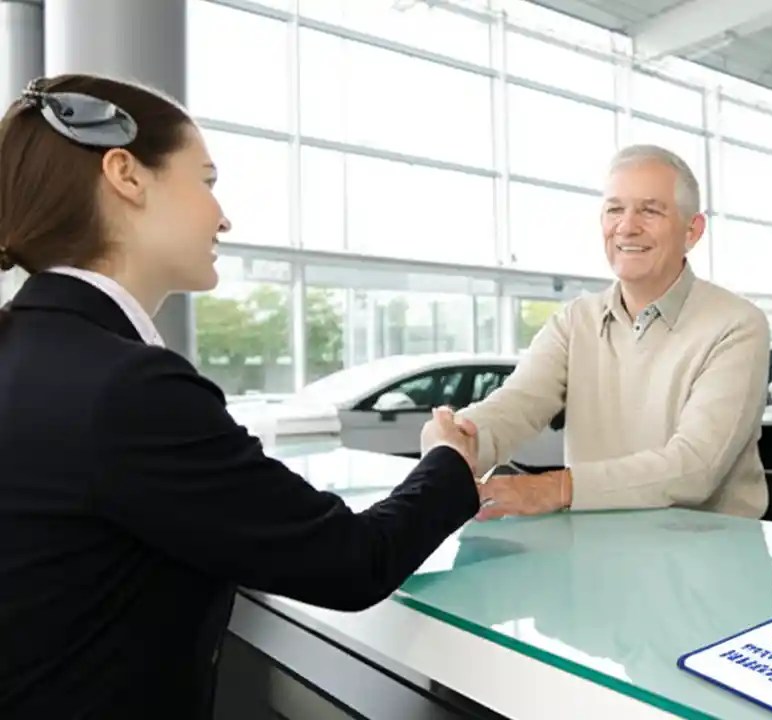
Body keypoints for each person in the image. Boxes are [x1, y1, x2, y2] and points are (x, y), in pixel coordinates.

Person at [0, 75, 481, 718]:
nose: (222, 216)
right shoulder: (128, 389)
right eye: (206, 181)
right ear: (126, 174)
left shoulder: (26, 352)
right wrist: (447, 462)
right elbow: (350, 562)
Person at [448, 144, 771, 520]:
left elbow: (696, 468)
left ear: (692, 230)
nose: (627, 226)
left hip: (704, 560)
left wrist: (557, 488)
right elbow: (518, 405)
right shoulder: (574, 321)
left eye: (650, 210)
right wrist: (461, 439)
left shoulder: (737, 324)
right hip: (594, 550)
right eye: (615, 209)